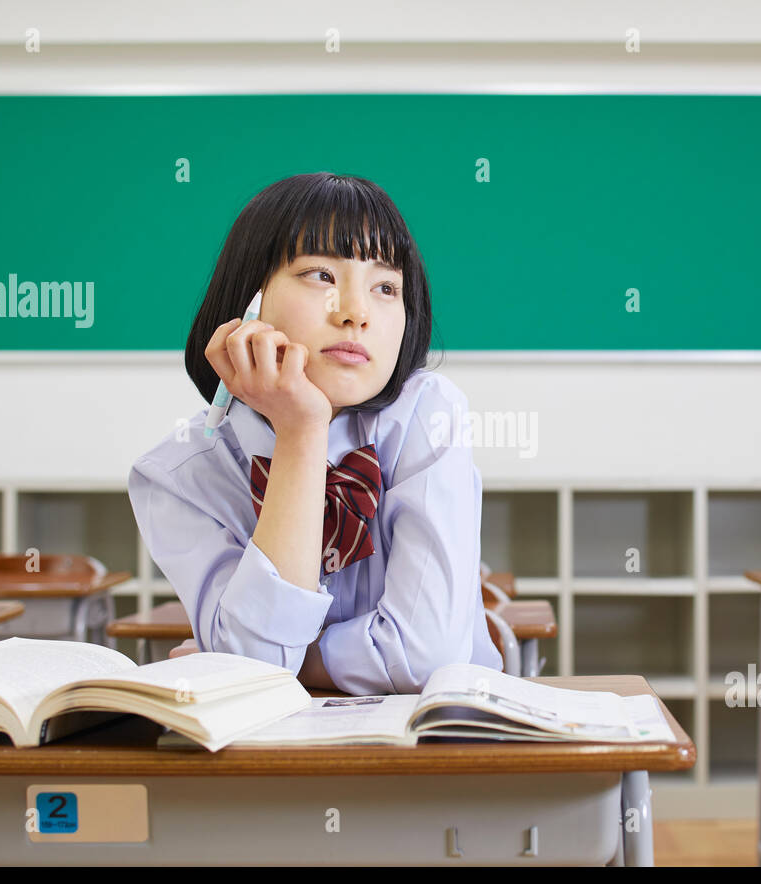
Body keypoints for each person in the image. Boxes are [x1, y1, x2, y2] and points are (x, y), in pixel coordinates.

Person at [128, 172, 502, 695]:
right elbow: (257, 672)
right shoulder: (175, 474)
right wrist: (302, 432)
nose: (355, 312)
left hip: (434, 753)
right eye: (320, 275)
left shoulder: (426, 414)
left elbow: (423, 658)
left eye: (386, 287)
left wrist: (298, 662)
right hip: (259, 763)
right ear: (248, 302)